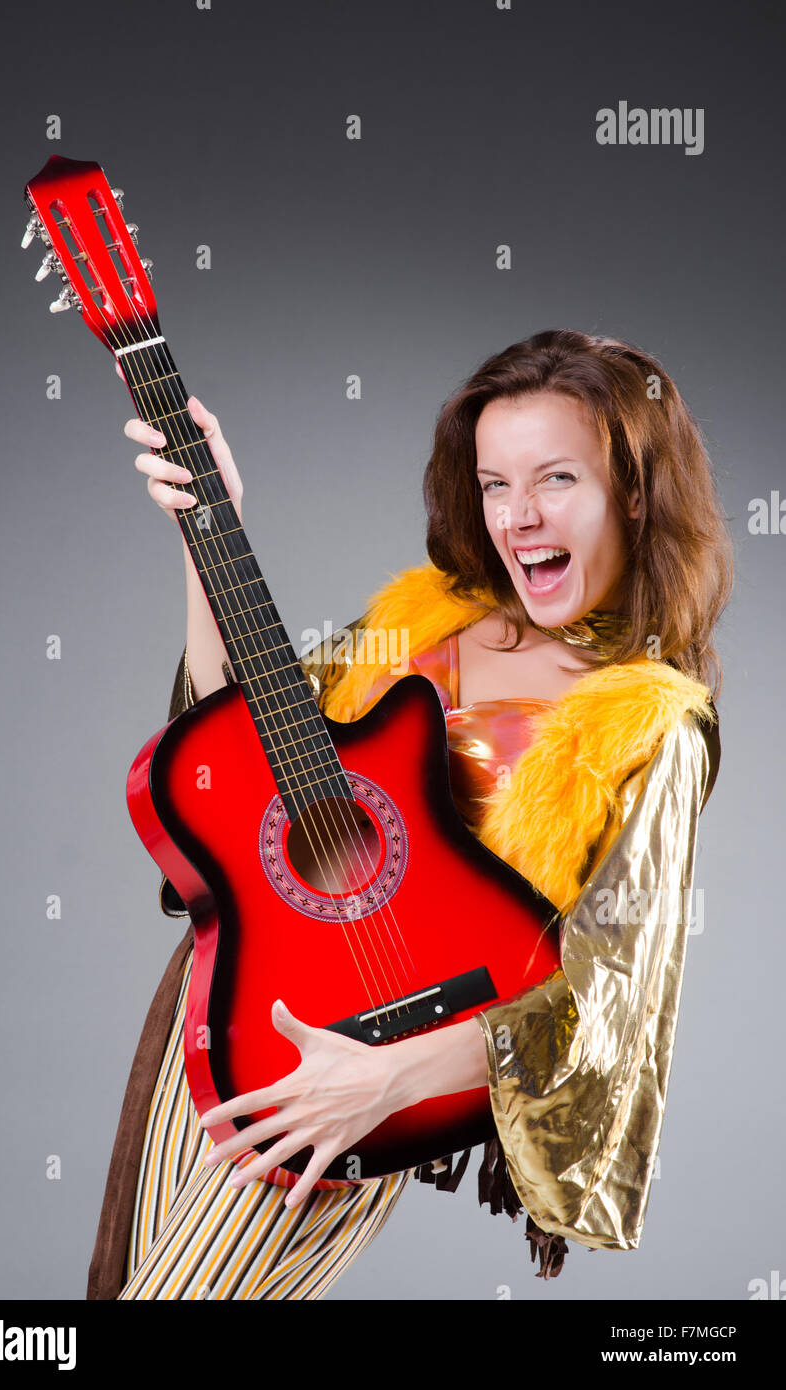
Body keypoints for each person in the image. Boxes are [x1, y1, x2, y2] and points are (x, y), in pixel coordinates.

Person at [86, 328, 732, 1299]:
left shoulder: (654, 727)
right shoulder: (425, 623)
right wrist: (208, 534)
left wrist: (380, 1080)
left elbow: (611, 1006)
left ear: (634, 494)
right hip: (217, 1004)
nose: (519, 516)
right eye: (495, 482)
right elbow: (236, 758)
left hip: (354, 1075)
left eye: (556, 478)